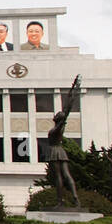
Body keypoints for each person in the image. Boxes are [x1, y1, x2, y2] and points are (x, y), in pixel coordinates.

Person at [46, 76, 83, 208]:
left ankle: (61, 201)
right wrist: (72, 92)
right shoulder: (59, 128)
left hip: (55, 151)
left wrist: (74, 93)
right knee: (66, 175)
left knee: (59, 177)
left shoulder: (57, 129)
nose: (55, 115)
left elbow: (67, 110)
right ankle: (75, 198)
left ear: (58, 118)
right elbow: (66, 110)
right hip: (60, 151)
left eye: (57, 114)